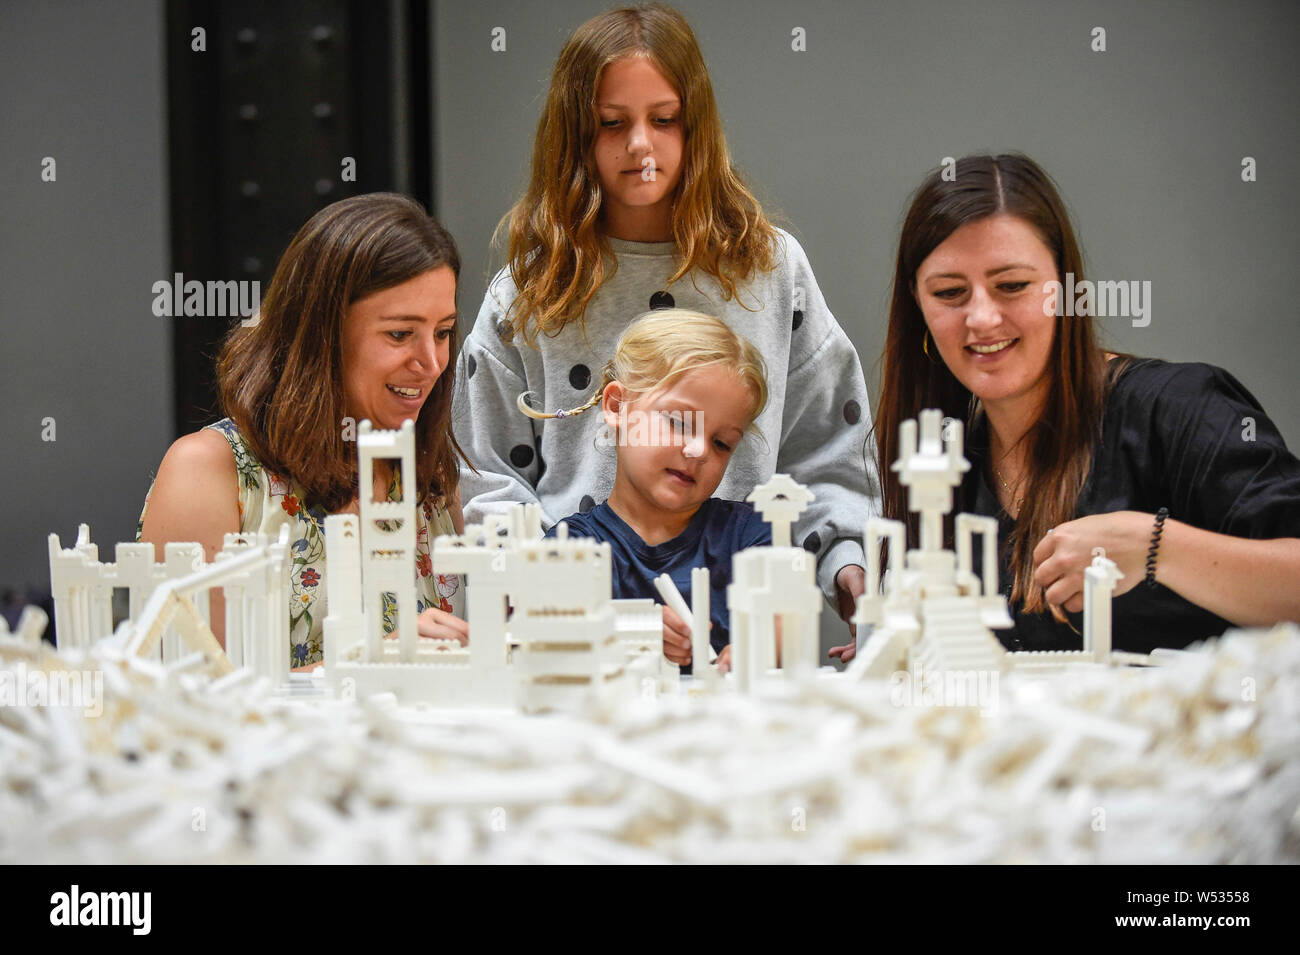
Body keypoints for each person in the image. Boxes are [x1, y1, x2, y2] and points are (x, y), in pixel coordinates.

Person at [453, 3, 875, 631]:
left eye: (665, 120)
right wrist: (549, 607)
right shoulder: (528, 292)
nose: (641, 145)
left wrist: (850, 571)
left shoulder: (769, 271)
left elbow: (827, 453)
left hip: (737, 639)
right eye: (612, 123)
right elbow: (487, 479)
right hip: (573, 643)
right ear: (576, 134)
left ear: (696, 125)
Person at [832, 154, 1300, 661]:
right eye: (949, 293)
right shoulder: (942, 459)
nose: (983, 318)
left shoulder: (1177, 408)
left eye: (1012, 286)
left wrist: (1156, 548)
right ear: (918, 306)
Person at [138, 193, 471, 668]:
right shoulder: (207, 472)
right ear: (320, 333)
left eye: (443, 332)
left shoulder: (432, 474)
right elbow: (178, 704)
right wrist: (368, 659)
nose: (432, 363)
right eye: (400, 334)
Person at [534, 309, 771, 672]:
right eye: (678, 422)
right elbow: (543, 642)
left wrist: (757, 647)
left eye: (722, 443)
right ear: (617, 406)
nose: (698, 451)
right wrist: (626, 632)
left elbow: (781, 616)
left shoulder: (750, 536)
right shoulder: (572, 548)